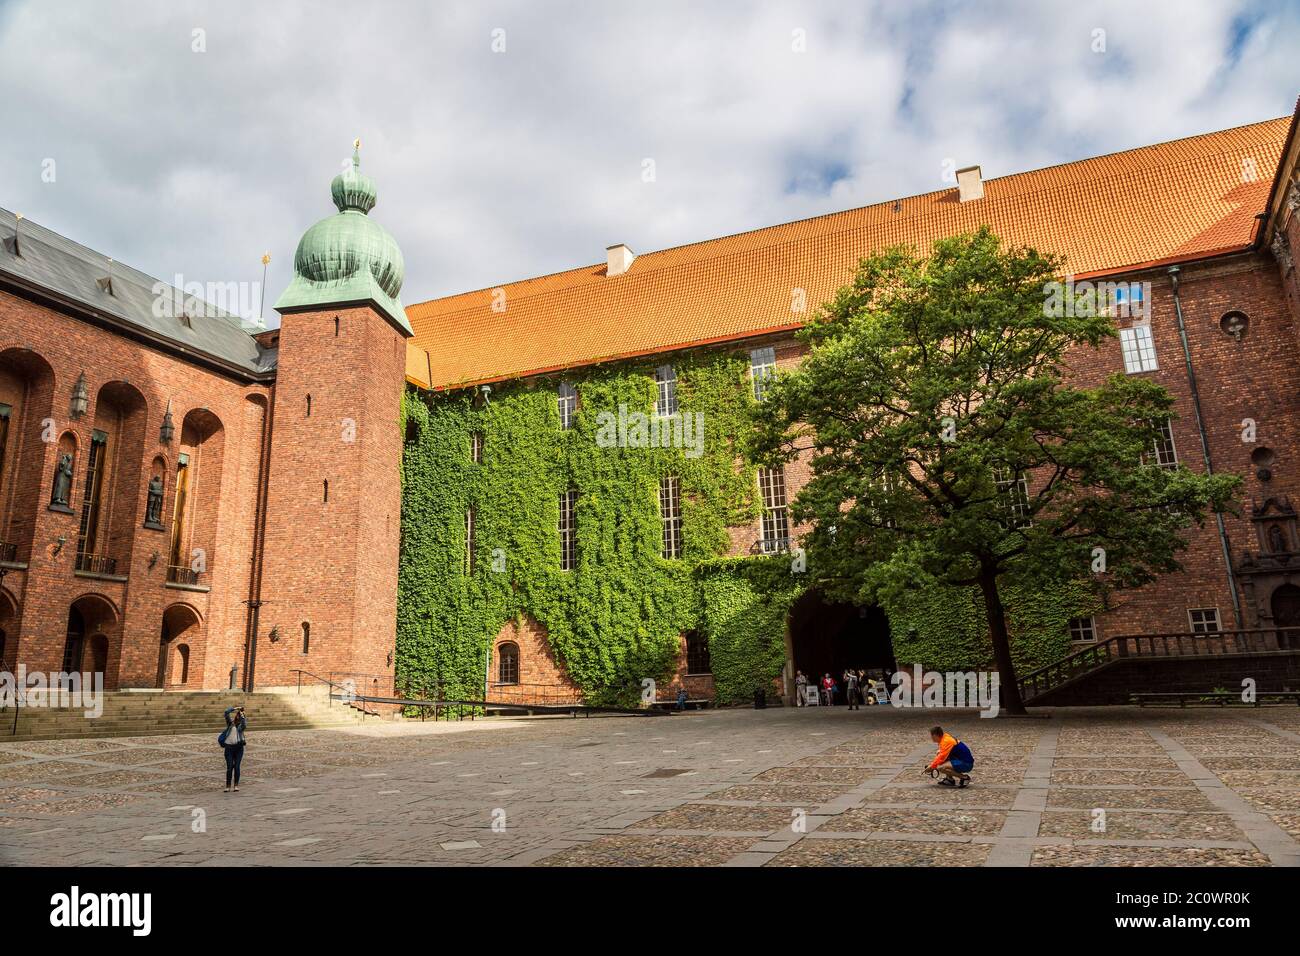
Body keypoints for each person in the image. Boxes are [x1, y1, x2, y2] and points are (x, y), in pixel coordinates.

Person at [220, 705, 247, 792]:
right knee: (229, 767)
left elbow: (244, 724)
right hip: (229, 748)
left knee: (237, 767)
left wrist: (242, 714)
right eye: (238, 715)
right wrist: (235, 708)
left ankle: (236, 785)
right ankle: (228, 786)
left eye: (241, 716)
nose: (239, 717)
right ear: (236, 716)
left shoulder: (241, 727)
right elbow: (226, 712)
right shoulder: (230, 724)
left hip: (239, 748)